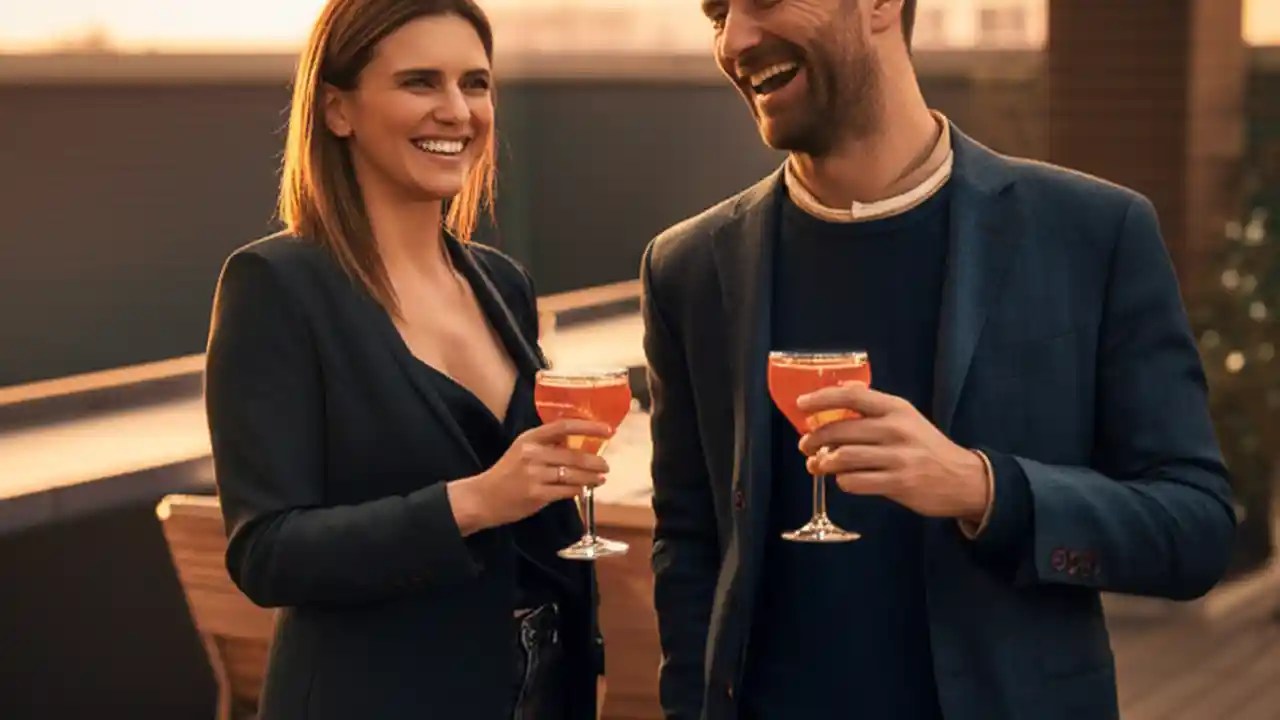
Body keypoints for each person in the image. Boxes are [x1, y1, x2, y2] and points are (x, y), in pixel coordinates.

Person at [640, 1, 1237, 718]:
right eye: (716, 13)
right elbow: (688, 548)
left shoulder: (1093, 234)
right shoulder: (687, 269)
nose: (734, 39)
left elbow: (1195, 529)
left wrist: (984, 490)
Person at [204, 1, 606, 717]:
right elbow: (266, 552)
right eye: (420, 82)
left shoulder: (502, 283)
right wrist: (474, 501)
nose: (457, 110)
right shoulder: (275, 285)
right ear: (338, 110)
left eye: (475, 83)